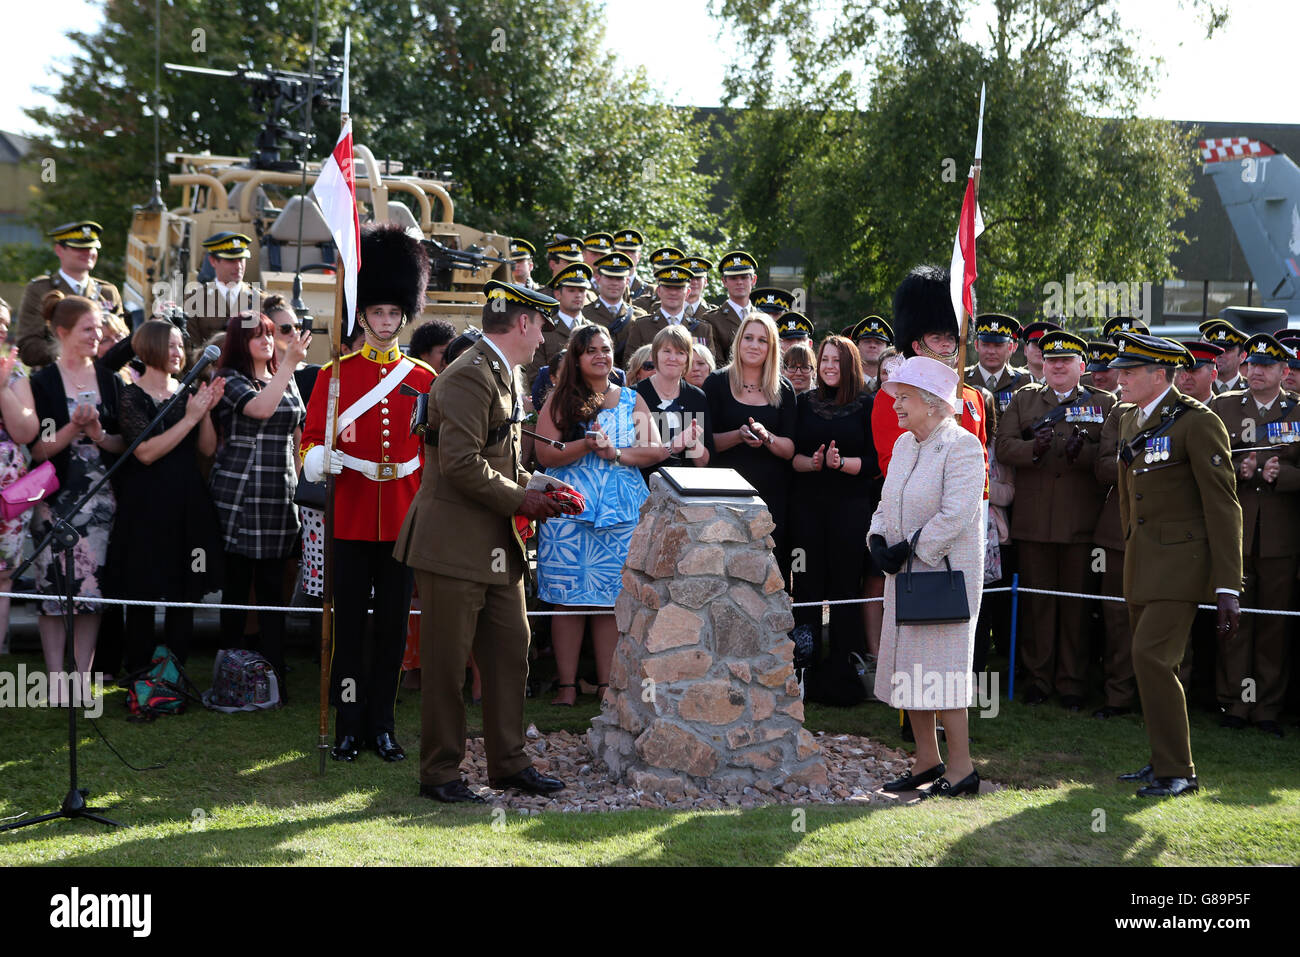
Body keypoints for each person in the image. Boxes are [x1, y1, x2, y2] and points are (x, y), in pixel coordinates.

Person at [395, 280, 567, 803]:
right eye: (540, 325)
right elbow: (461, 464)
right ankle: (439, 773)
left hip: (493, 544)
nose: (542, 338)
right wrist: (523, 501)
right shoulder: (470, 377)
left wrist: (537, 486)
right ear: (522, 324)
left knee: (510, 653)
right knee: (446, 667)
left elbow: (498, 459)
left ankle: (508, 763)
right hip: (453, 546)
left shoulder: (504, 372)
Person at [302, 223, 436, 761]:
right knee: (349, 628)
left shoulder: (424, 377)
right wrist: (319, 457)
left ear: (404, 317)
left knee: (393, 631)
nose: (384, 323)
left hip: (403, 520)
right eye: (376, 314)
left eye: (392, 314)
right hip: (352, 518)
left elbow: (433, 450)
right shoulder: (334, 376)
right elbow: (311, 439)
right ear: (362, 316)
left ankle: (383, 726)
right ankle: (348, 725)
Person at [1110, 332, 1241, 797]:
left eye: (1128, 372)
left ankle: (1178, 771)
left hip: (1182, 566)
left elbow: (1223, 505)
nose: (1118, 378)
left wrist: (1228, 584)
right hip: (1142, 562)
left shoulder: (1197, 422)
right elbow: (1129, 498)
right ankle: (1162, 760)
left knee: (1152, 657)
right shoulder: (1129, 419)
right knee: (1148, 662)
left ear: (1159, 376)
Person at [869, 355, 986, 797]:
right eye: (896, 397)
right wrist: (877, 538)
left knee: (944, 675)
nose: (896, 406)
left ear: (935, 403)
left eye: (904, 398)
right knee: (909, 670)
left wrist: (915, 548)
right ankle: (926, 759)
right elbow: (887, 502)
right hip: (905, 575)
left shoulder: (962, 445)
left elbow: (958, 512)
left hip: (944, 577)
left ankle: (962, 769)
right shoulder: (904, 444)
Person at [534, 325, 664, 705]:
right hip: (569, 514)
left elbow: (654, 450)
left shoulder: (631, 399)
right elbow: (544, 455)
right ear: (576, 357)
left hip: (620, 514)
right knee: (567, 601)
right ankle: (567, 686)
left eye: (606, 349)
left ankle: (608, 685)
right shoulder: (559, 399)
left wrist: (615, 454)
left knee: (611, 601)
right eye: (591, 350)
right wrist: (584, 445)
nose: (601, 356)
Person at [994, 330, 1115, 709]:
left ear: (1082, 366)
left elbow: (1109, 459)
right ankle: (1038, 679)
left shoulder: (1104, 403)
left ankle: (1072, 683)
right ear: (1042, 365)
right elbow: (1003, 446)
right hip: (1035, 520)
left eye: (1066, 361)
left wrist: (1083, 453)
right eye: (1051, 361)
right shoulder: (1025, 399)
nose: (1058, 367)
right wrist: (1035, 448)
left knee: (1077, 607)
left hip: (1080, 520)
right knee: (1038, 604)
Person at [27, 293, 127, 703]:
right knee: (53, 591)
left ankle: (82, 679)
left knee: (93, 592)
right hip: (55, 499)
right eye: (88, 328)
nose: (97, 335)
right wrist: (72, 429)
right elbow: (36, 449)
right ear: (63, 332)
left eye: (99, 327)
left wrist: (99, 432)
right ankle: (55, 680)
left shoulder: (110, 380)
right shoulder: (42, 382)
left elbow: (124, 444)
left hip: (101, 500)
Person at [111, 320, 224, 674]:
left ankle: (175, 671)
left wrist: (203, 413)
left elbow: (207, 450)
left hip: (187, 501)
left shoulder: (187, 390)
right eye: (171, 346)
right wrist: (190, 418)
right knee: (142, 590)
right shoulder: (131, 395)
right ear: (150, 349)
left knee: (184, 590)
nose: (178, 353)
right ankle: (139, 671)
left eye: (180, 346)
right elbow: (144, 452)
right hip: (145, 504)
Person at [210, 311, 309, 690]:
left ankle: (273, 668)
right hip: (241, 488)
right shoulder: (229, 378)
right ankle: (229, 668)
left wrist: (301, 482)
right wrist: (287, 365)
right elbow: (261, 409)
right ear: (239, 342)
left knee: (273, 583)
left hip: (280, 488)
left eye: (270, 334)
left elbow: (298, 427)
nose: (267, 341)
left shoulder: (283, 373)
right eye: (257, 336)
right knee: (237, 584)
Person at [1208, 333, 1300, 738]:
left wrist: (1287, 476)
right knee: (1235, 620)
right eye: (1253, 365)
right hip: (1236, 531)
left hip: (1280, 534)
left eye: (1268, 366)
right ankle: (1234, 702)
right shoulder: (1224, 406)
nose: (1257, 372)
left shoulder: (1297, 411)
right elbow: (1206, 459)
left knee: (1274, 625)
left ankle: (1266, 707)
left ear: (1285, 372)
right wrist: (1236, 470)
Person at [791, 335, 877, 704]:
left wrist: (841, 464)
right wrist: (811, 463)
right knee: (807, 586)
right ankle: (803, 671)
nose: (828, 366)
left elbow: (875, 463)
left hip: (850, 509)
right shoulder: (801, 404)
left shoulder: (867, 405)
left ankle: (844, 673)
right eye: (824, 359)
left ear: (850, 365)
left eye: (836, 360)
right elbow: (790, 455)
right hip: (807, 508)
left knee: (845, 588)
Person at [704, 313, 797, 580]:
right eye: (748, 338)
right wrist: (738, 434)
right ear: (738, 342)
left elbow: (789, 449)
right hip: (726, 496)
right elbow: (707, 445)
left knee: (768, 574)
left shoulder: (784, 389)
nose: (754, 345)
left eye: (762, 340)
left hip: (771, 497)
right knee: (724, 572)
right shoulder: (716, 383)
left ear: (772, 347)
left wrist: (767, 436)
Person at [17, 221, 124, 368]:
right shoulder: (40, 290)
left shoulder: (107, 292)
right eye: (79, 248)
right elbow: (28, 348)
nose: (88, 253)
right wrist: (72, 351)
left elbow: (121, 340)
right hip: (56, 380)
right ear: (59, 250)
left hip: (105, 378)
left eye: (92, 248)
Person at [0, 300, 39, 653]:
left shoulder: (14, 373)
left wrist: (0, 389)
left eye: (5, 323)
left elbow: (27, 431)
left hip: (8, 490)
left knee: (2, 576)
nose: (1, 329)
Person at [635, 324, 712, 483]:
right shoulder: (634, 395)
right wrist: (674, 445)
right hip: (643, 487)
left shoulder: (697, 397)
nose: (673, 358)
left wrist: (692, 442)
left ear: (687, 359)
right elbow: (629, 456)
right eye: (667, 351)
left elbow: (704, 463)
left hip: (688, 488)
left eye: (680, 353)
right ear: (655, 355)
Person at [523, 261, 594, 402]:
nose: (578, 295)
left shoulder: (594, 331)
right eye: (571, 290)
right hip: (553, 401)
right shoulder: (544, 328)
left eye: (581, 290)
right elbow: (535, 374)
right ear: (557, 294)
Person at [623, 262, 716, 358]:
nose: (673, 293)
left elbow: (709, 366)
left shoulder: (702, 329)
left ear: (687, 292)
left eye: (679, 288)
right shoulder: (641, 326)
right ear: (658, 291)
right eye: (668, 287)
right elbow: (630, 363)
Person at [187, 232, 259, 351]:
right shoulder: (194, 300)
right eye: (231, 261)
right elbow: (190, 349)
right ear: (213, 261)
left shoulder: (260, 299)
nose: (238, 266)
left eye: (241, 259)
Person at [582, 252, 645, 366]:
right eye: (609, 277)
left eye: (619, 278)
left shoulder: (639, 316)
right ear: (598, 278)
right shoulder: (584, 314)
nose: (614, 283)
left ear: (627, 281)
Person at [964, 314, 1029, 419]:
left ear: (1010, 347)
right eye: (985, 345)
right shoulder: (961, 379)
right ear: (976, 345)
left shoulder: (1024, 382)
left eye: (998, 346)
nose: (991, 352)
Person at [702, 250, 758, 361]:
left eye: (744, 277)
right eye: (733, 278)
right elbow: (715, 363)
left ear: (753, 280)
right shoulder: (712, 320)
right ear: (724, 281)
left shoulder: (763, 318)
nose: (739, 282)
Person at [1199, 319, 1246, 393]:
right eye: (1216, 350)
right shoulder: (1199, 387)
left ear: (1242, 356)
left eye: (1227, 351)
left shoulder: (1252, 390)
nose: (1220, 355)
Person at [850, 316, 893, 392]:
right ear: (856, 346)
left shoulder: (896, 384)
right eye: (867, 341)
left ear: (887, 348)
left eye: (878, 342)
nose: (872, 345)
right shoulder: (847, 382)